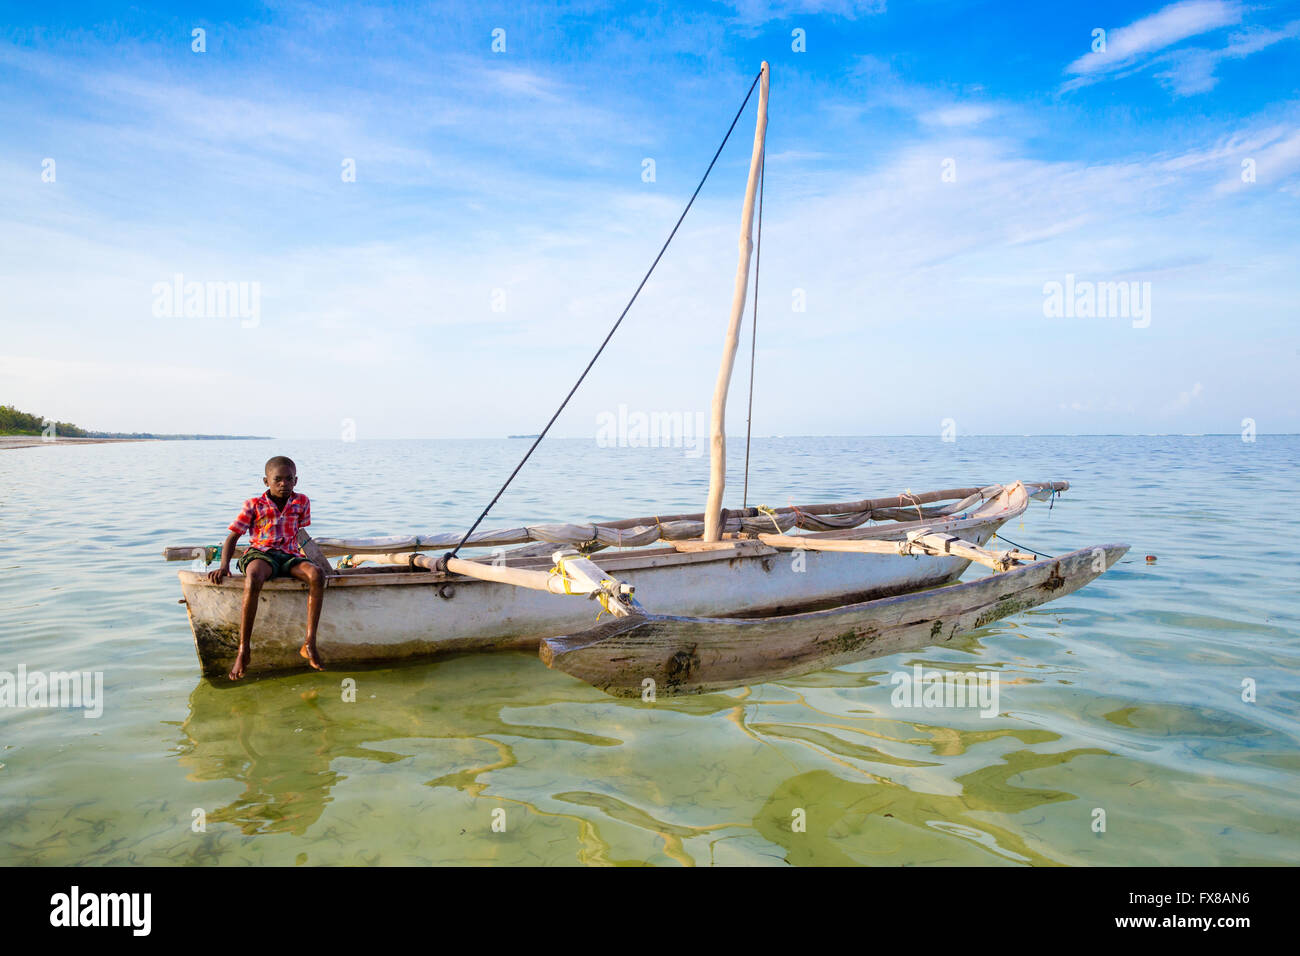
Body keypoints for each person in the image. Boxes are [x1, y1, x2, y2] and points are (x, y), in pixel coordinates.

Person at [208, 456, 326, 679]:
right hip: (261, 553)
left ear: (296, 480)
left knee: (317, 575)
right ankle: (244, 649)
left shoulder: (302, 502)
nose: (284, 484)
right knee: (253, 577)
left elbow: (299, 531)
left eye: (289, 479)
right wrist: (224, 566)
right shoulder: (254, 505)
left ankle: (309, 644)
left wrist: (310, 559)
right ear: (266, 481)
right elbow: (232, 537)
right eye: (277, 479)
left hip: (289, 555)